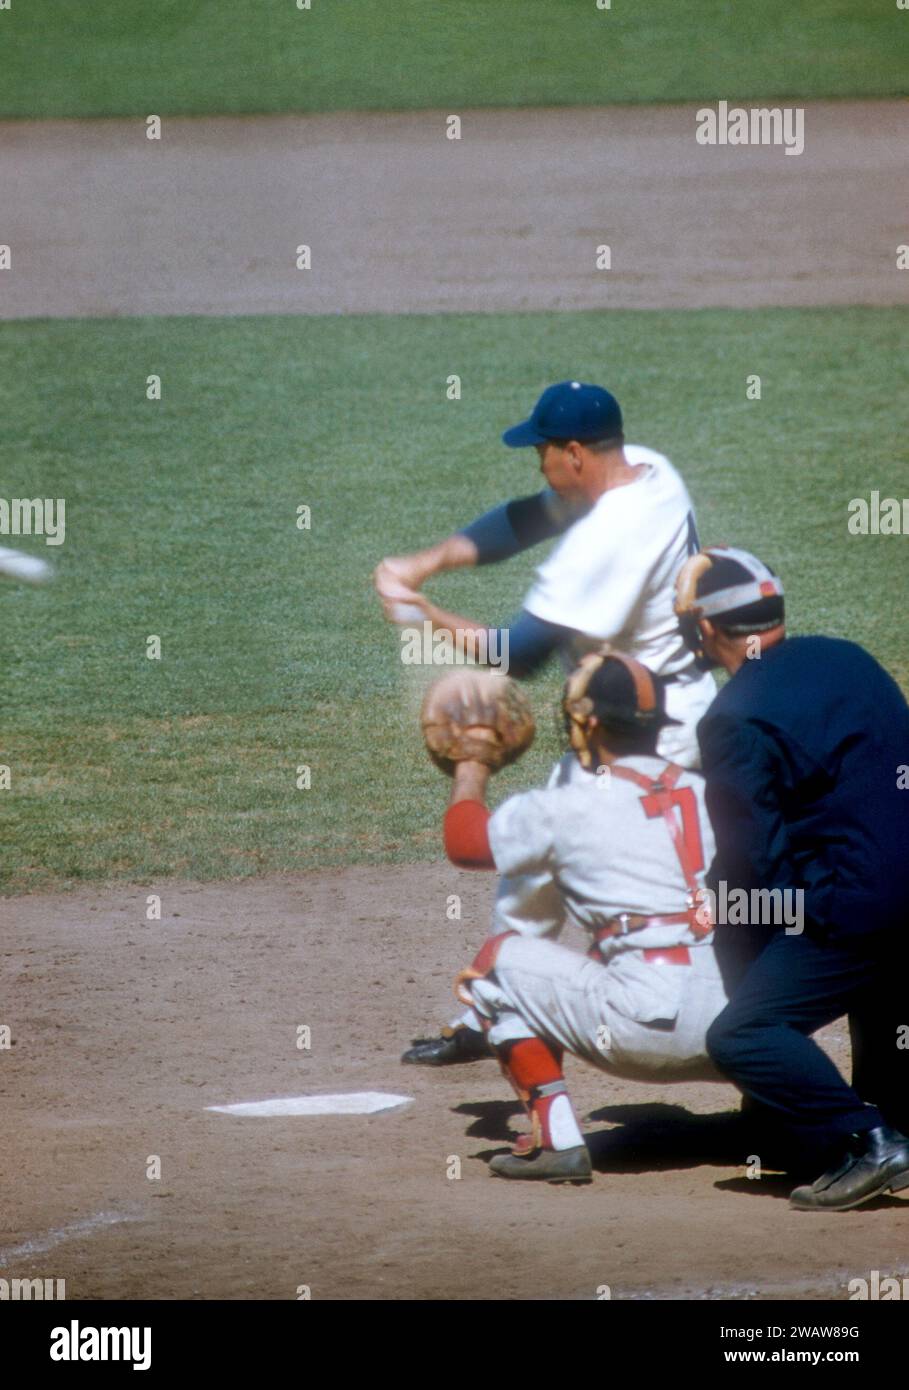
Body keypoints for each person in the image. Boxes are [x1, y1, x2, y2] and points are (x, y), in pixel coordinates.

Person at [374, 380, 716, 1064]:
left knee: (655, 866)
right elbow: (530, 516)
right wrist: (428, 561)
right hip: (646, 705)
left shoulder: (610, 536)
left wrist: (423, 615)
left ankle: (707, 1017)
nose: (538, 467)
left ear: (574, 454)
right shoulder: (648, 469)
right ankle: (487, 1004)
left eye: (543, 454)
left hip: (651, 727)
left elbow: (517, 654)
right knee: (538, 867)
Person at [674, 544, 909, 1211]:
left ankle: (865, 1142)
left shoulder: (732, 717)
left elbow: (755, 863)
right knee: (885, 999)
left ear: (707, 628)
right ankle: (892, 1119)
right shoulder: (847, 656)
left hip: (860, 907)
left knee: (742, 1034)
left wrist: (718, 904)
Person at [438, 653, 727, 1181]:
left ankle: (558, 1142)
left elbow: (465, 842)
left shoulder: (566, 805)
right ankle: (777, 1115)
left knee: (499, 965)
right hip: (747, 1030)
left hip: (646, 1032)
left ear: (587, 722)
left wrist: (471, 766)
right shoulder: (714, 790)